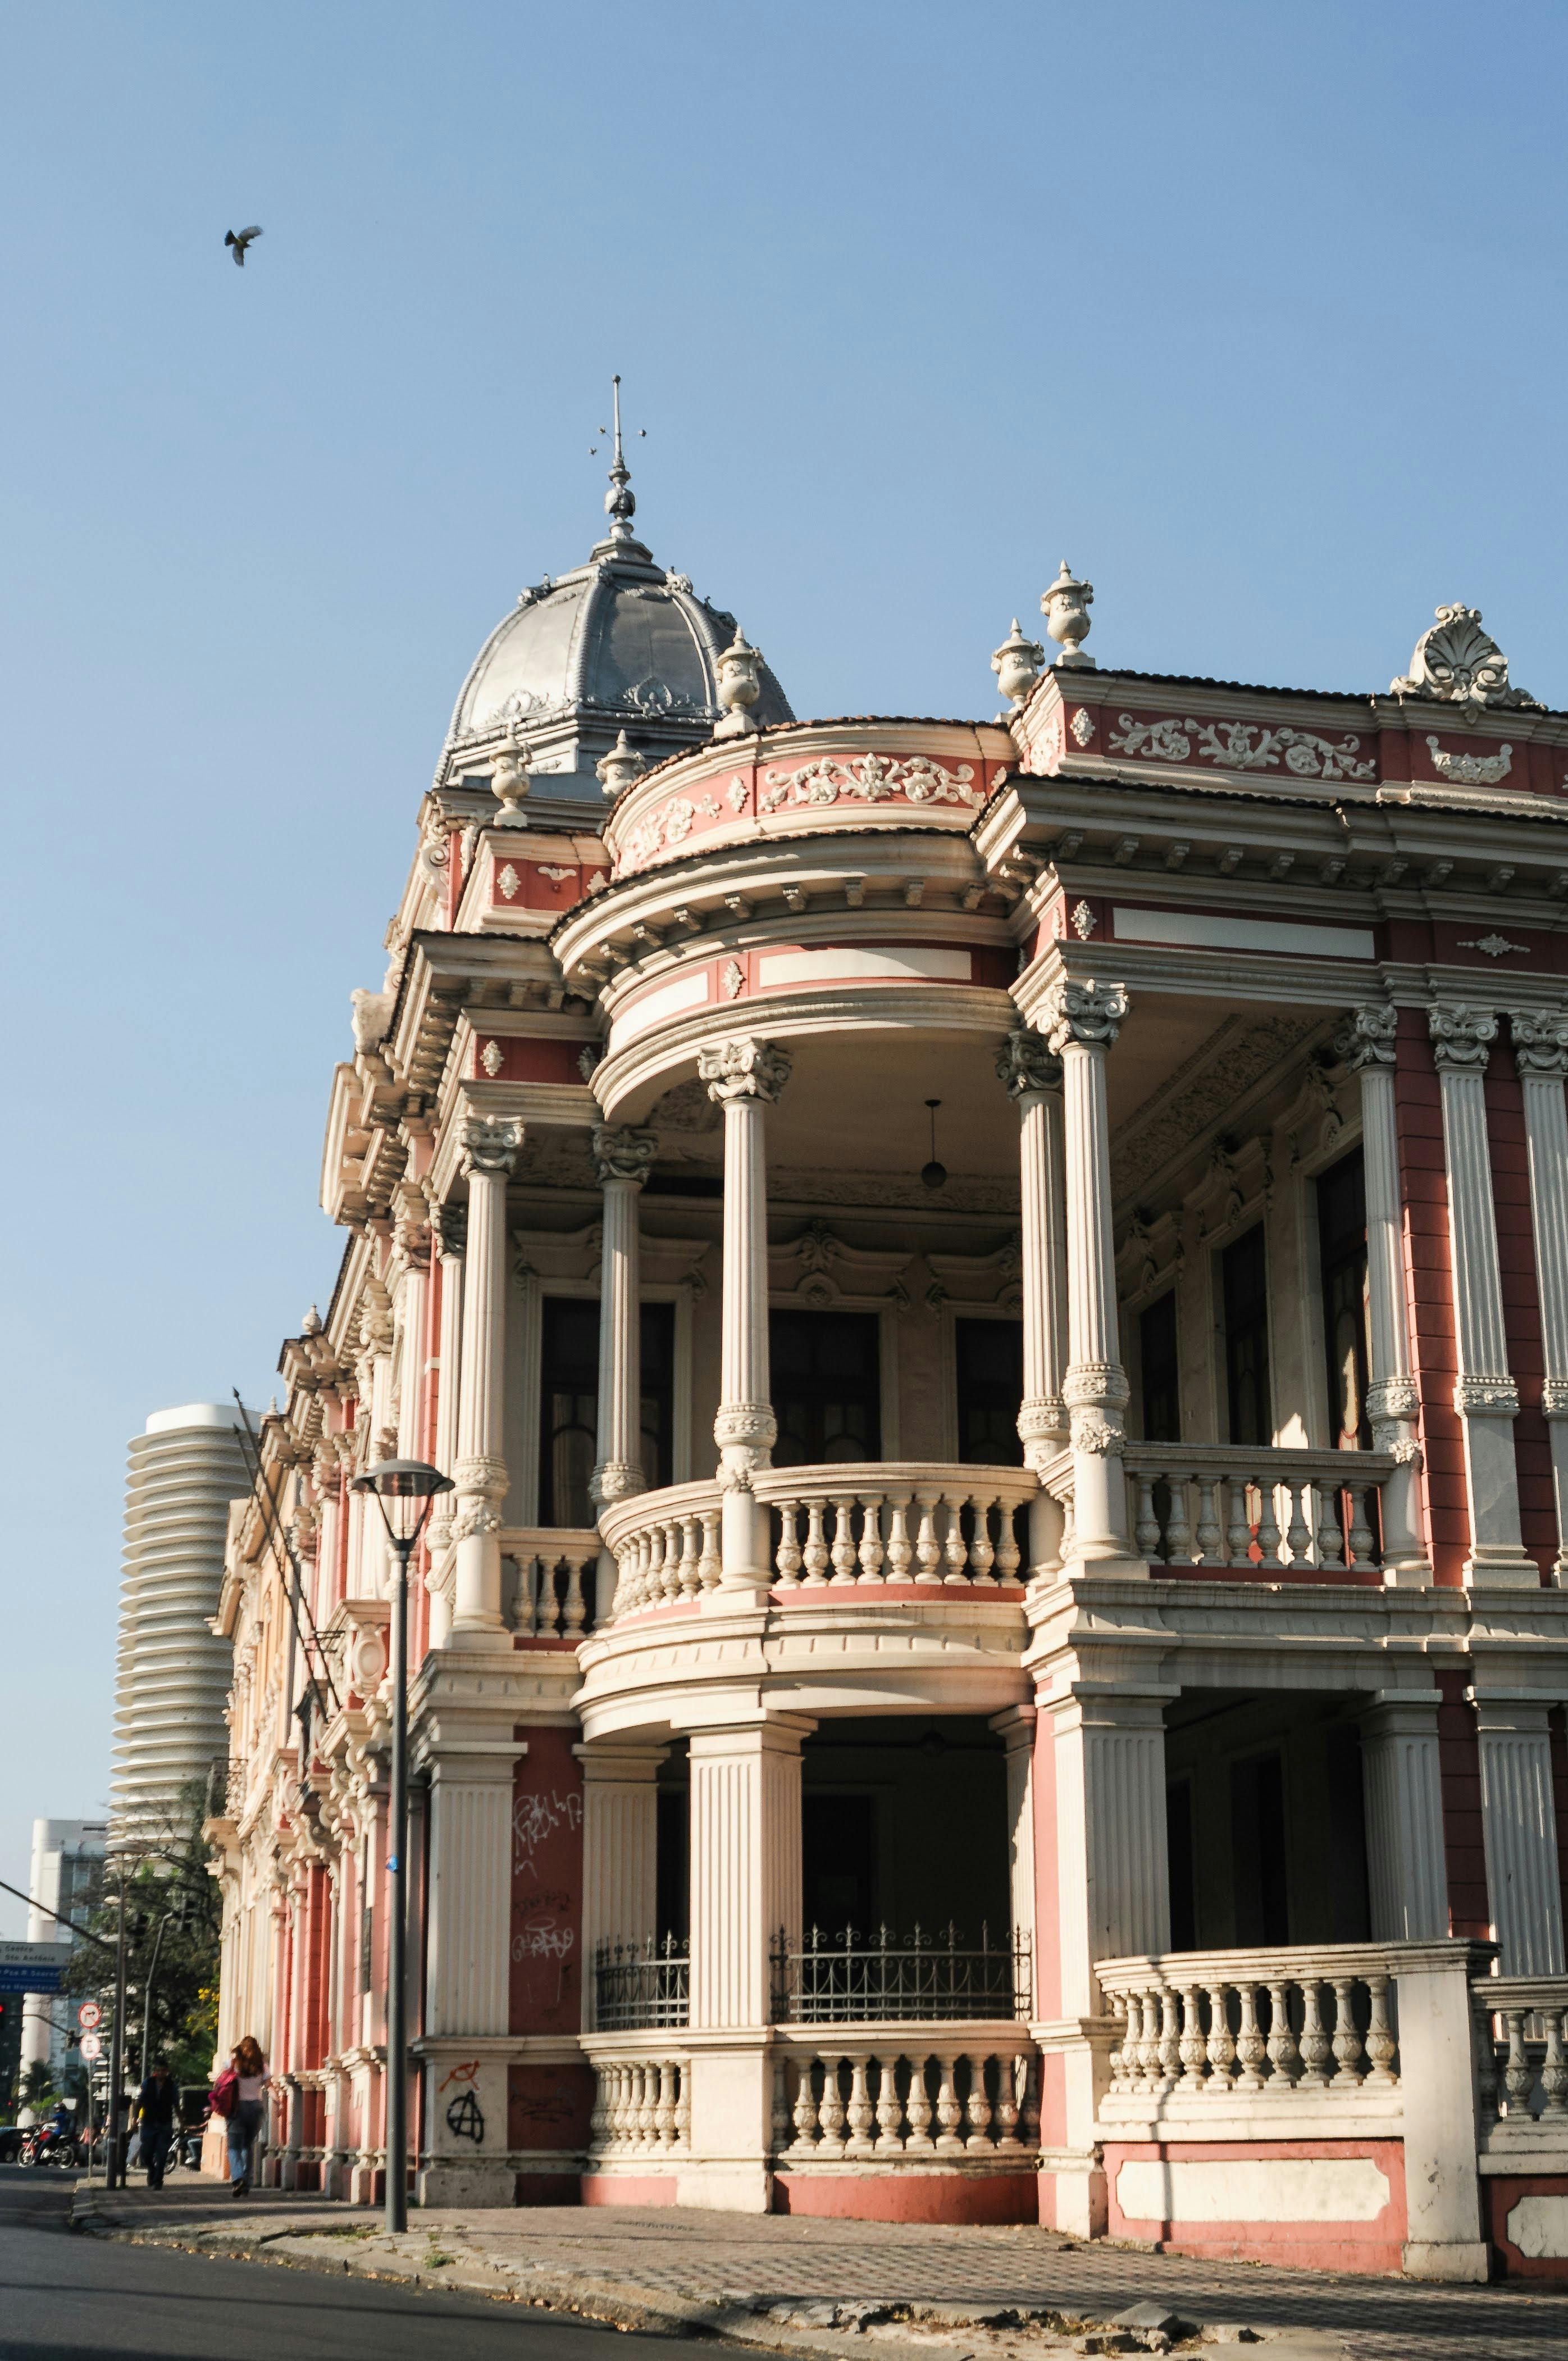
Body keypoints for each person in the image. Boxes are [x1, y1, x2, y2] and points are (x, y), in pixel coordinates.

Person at [224, 2036, 269, 2197]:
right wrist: (280, 2104)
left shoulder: (233, 2064)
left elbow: (221, 2082)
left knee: (233, 2147)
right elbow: (270, 2087)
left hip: (237, 2109)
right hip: (255, 2109)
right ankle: (247, 2181)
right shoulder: (262, 2066)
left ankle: (238, 2178)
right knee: (247, 2146)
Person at [135, 2062, 177, 2190]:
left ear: (167, 2071)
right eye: (159, 2070)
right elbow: (139, 2101)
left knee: (162, 2153)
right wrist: (135, 2118)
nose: (161, 2073)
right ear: (155, 2071)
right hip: (149, 2123)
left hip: (165, 2123)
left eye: (164, 2070)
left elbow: (176, 2104)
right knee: (146, 2153)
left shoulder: (172, 2085)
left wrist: (182, 2122)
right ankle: (152, 2170)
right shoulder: (148, 2083)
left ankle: (158, 2180)